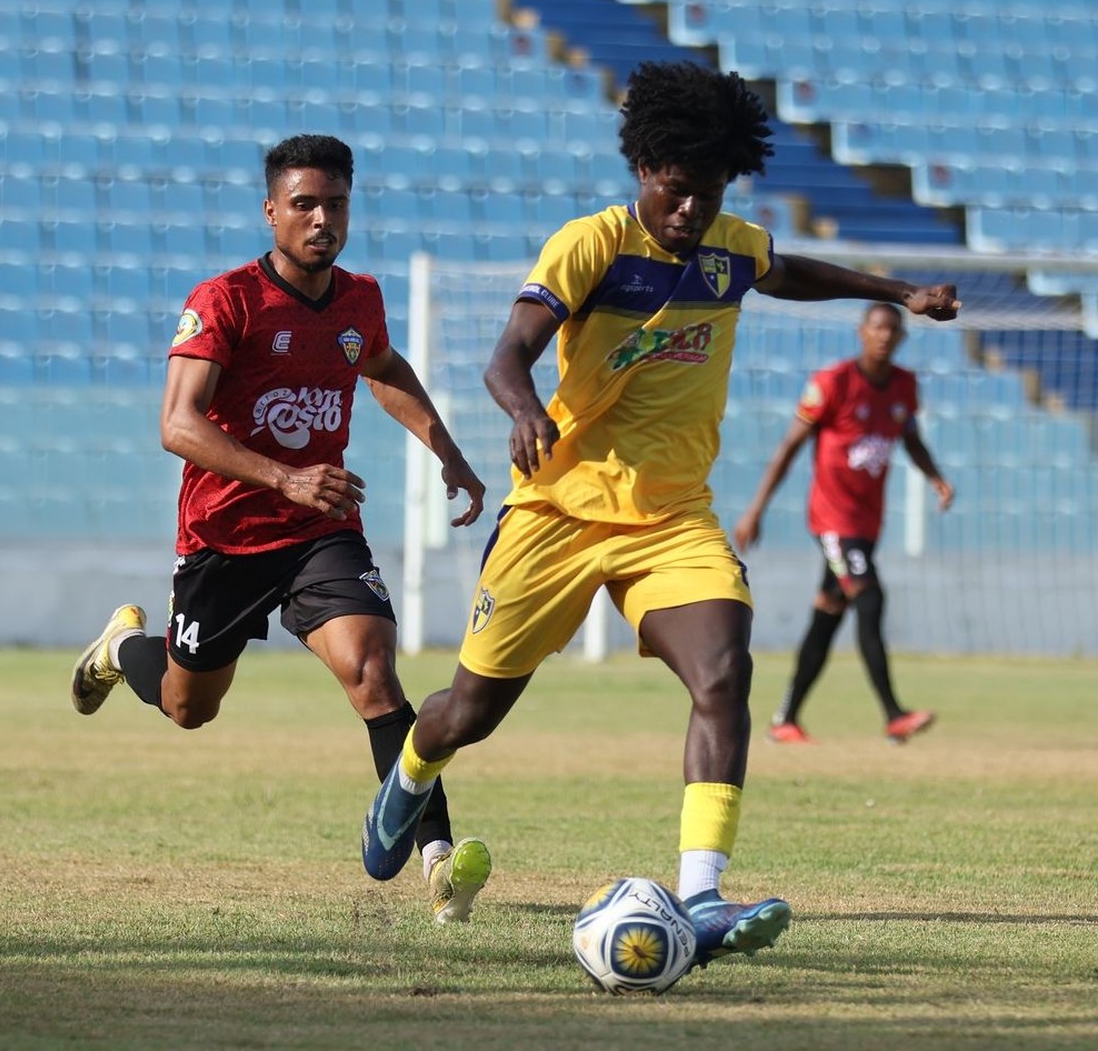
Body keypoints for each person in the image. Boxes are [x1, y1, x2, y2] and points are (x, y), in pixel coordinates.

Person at [358, 61, 961, 968]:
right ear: (644, 168)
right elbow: (507, 355)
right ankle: (411, 772)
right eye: (676, 191)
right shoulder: (591, 245)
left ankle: (704, 896)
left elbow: (783, 268)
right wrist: (525, 412)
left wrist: (896, 293)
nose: (689, 211)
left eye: (707, 192)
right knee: (470, 712)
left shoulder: (728, 245)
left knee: (723, 672)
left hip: (673, 518)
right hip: (557, 512)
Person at [71, 134, 492, 924]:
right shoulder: (226, 299)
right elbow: (176, 423)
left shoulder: (359, 299)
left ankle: (437, 861)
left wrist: (449, 452)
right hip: (224, 537)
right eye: (304, 205)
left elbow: (385, 367)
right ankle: (123, 648)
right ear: (272, 211)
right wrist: (285, 476)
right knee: (189, 706)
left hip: (319, 531)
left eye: (334, 204)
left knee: (373, 674)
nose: (321, 219)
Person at [733, 302, 955, 745]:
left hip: (867, 523)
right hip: (832, 519)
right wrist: (756, 509)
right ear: (861, 332)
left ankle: (785, 720)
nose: (885, 335)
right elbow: (789, 448)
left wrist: (935, 478)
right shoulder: (832, 383)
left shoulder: (904, 387)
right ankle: (894, 714)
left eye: (893, 329)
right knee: (869, 599)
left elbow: (911, 439)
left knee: (828, 616)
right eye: (877, 327)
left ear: (902, 337)